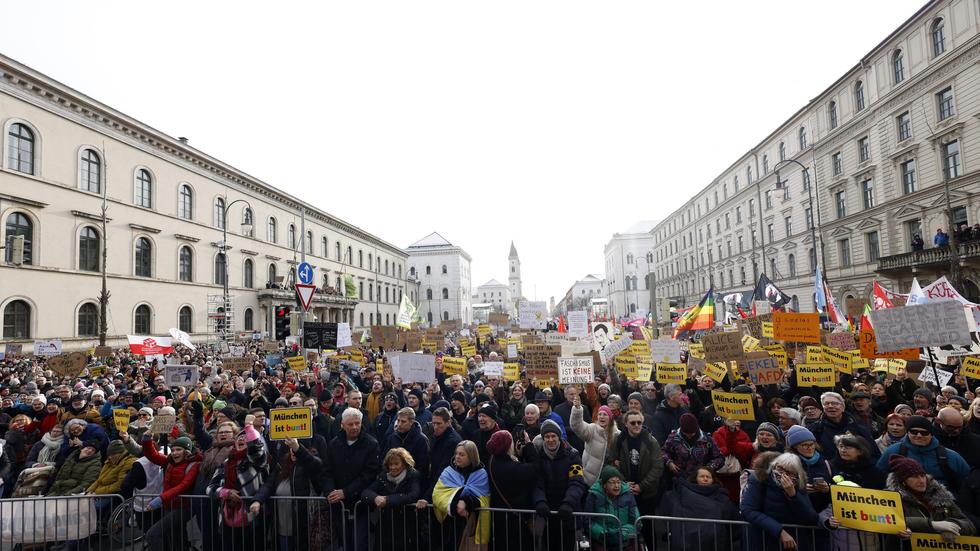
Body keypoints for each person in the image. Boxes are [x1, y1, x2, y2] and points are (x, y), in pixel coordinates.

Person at [254, 435, 326, 551]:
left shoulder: (312, 462)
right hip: (283, 525)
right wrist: (257, 500)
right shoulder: (282, 465)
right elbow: (269, 484)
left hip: (303, 523)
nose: (293, 451)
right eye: (290, 449)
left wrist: (298, 448)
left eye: (296, 449)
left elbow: (314, 464)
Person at [206, 419, 269, 551]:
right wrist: (225, 493)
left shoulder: (256, 461)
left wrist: (249, 428)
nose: (241, 439)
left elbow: (256, 449)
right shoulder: (226, 462)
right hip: (228, 518)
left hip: (252, 518)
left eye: (245, 437)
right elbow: (210, 488)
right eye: (239, 437)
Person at [740, 452, 820, 551]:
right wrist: (780, 531)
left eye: (789, 472)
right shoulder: (759, 479)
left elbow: (811, 518)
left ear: (796, 473)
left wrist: (793, 495)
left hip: (792, 542)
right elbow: (748, 510)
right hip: (763, 539)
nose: (783, 475)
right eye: (780, 469)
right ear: (774, 466)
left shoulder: (799, 484)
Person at [887, 454, 975, 543]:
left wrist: (951, 526)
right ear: (902, 481)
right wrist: (933, 525)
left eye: (922, 475)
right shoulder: (891, 497)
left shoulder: (940, 494)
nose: (921, 481)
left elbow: (969, 525)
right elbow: (890, 521)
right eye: (914, 477)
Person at [325, 407, 380, 551]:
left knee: (359, 543)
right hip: (339, 505)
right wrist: (331, 491)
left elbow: (369, 475)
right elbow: (327, 471)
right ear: (342, 425)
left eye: (357, 423)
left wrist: (346, 492)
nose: (355, 427)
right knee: (344, 543)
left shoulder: (371, 444)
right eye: (351, 424)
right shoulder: (334, 444)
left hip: (360, 504)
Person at [141, 433, 202, 551]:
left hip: (183, 508)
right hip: (169, 507)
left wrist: (160, 499)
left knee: (152, 534)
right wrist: (147, 439)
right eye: (173, 450)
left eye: (178, 450)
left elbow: (183, 486)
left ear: (187, 451)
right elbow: (151, 455)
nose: (175, 453)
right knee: (177, 538)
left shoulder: (193, 465)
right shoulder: (169, 462)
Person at [878, 415, 970, 491]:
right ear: (908, 432)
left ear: (931, 434)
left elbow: (968, 482)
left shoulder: (950, 456)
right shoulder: (893, 451)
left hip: (943, 503)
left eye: (924, 433)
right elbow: (878, 478)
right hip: (904, 503)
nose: (919, 435)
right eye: (914, 432)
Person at [534, 419, 587, 550]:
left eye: (553, 436)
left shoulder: (572, 455)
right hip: (547, 513)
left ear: (559, 437)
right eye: (547, 437)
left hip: (567, 513)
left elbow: (577, 482)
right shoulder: (539, 456)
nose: (550, 440)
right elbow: (537, 482)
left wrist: (569, 502)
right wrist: (540, 501)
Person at [657, 467, 738, 551]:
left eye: (708, 477)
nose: (705, 479)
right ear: (695, 478)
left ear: (713, 480)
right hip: (687, 538)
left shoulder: (721, 495)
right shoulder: (683, 492)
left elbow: (731, 514)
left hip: (713, 540)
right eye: (702, 476)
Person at [611, 410, 664, 539]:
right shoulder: (618, 440)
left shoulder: (651, 441)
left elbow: (658, 467)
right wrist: (624, 484)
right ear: (626, 424)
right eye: (633, 422)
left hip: (647, 493)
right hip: (624, 492)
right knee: (626, 529)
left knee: (648, 530)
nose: (636, 425)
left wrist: (642, 486)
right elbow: (611, 463)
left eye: (639, 422)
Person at [485, 430, 538, 550]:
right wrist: (529, 444)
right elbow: (535, 467)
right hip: (515, 522)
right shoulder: (512, 468)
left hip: (500, 519)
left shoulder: (493, 461)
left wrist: (517, 456)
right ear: (507, 446)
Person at [361, 447, 422, 551]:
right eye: (390, 465)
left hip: (406, 524)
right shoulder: (383, 476)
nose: (393, 467)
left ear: (404, 463)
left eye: (396, 464)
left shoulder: (413, 475)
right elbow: (366, 492)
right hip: (385, 525)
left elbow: (414, 495)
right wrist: (375, 498)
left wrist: (388, 500)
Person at [433, 440, 490, 549]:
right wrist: (455, 503)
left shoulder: (481, 474)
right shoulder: (448, 472)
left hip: (470, 525)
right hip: (449, 526)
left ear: (472, 457)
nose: (457, 457)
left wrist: (466, 502)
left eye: (462, 454)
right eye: (456, 453)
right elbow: (437, 494)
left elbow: (484, 499)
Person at [809, 392, 877, 462]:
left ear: (843, 407)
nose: (830, 406)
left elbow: (873, 452)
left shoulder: (857, 426)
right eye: (826, 404)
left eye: (835, 403)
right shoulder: (815, 429)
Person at [586, 465, 640, 551]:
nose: (616, 486)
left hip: (624, 538)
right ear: (604, 485)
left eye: (618, 482)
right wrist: (603, 534)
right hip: (602, 538)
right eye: (612, 482)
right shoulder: (593, 496)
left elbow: (636, 521)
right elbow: (588, 521)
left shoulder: (628, 495)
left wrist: (622, 534)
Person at [570, 394, 620, 487]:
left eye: (605, 414)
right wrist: (577, 409)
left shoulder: (617, 434)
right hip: (590, 478)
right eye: (600, 414)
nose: (601, 416)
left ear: (610, 418)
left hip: (609, 479)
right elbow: (577, 426)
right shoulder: (592, 429)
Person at [785, 425, 833, 514]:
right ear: (795, 446)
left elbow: (835, 489)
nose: (810, 448)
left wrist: (827, 489)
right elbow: (779, 492)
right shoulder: (788, 464)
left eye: (812, 444)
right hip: (800, 513)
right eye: (804, 445)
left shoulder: (824, 462)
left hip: (824, 513)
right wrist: (800, 490)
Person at [382, 407, 430, 483]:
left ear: (412, 422)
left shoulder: (421, 440)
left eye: (403, 421)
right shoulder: (392, 437)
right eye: (398, 421)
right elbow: (385, 460)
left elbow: (423, 468)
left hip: (412, 482)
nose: (399, 424)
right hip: (391, 480)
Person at [712, 418, 754, 502]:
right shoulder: (717, 434)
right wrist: (730, 449)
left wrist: (736, 449)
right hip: (720, 474)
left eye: (738, 419)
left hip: (737, 475)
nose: (737, 421)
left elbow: (747, 454)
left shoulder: (744, 435)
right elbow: (714, 451)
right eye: (733, 419)